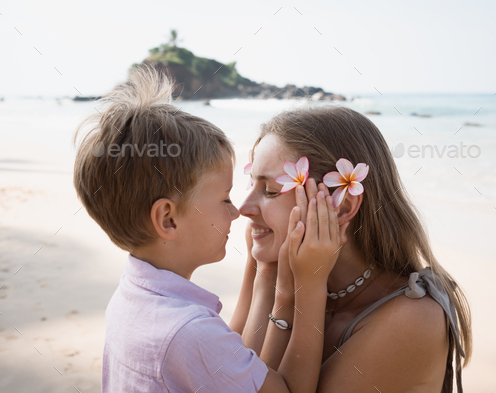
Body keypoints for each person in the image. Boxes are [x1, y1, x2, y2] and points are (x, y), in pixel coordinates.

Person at [72, 64, 346, 393]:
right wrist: (309, 284)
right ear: (168, 220)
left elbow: (239, 365)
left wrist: (261, 269)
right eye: (225, 198)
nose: (238, 211)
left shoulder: (132, 300)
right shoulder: (188, 332)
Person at [234, 106, 473, 392]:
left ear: (342, 207)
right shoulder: (285, 276)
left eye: (270, 191)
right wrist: (264, 272)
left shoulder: (412, 319)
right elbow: (227, 377)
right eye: (250, 184)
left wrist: (293, 291)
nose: (243, 208)